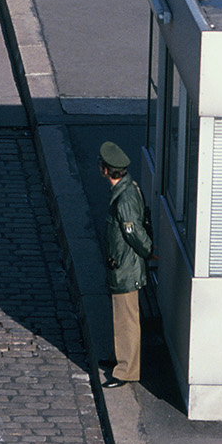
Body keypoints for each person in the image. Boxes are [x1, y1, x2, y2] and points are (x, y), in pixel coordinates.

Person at [99, 140, 153, 388]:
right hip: (121, 265)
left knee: (127, 319)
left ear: (106, 170)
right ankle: (117, 357)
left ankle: (126, 371)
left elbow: (135, 234)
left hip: (126, 268)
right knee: (120, 316)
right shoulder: (128, 189)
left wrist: (149, 252)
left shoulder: (123, 201)